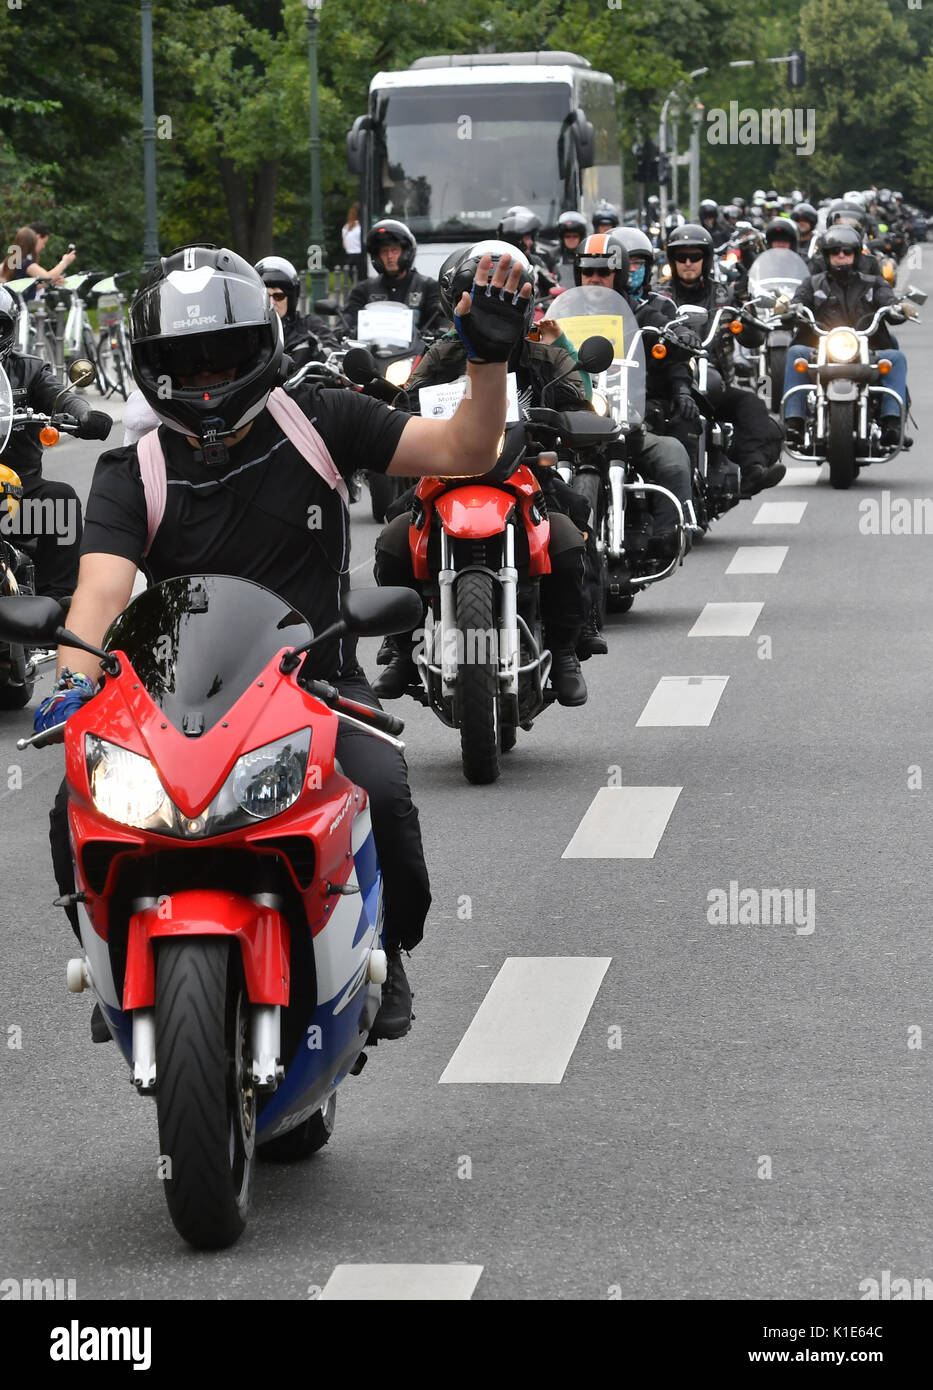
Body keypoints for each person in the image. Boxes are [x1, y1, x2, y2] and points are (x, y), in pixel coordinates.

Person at [37, 242, 532, 1044]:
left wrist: (488, 361)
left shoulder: (323, 417)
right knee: (74, 805)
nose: (205, 380)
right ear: (150, 366)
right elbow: (97, 593)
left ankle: (386, 946)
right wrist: (72, 684)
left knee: (383, 786)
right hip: (174, 702)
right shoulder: (135, 467)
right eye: (182, 362)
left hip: (317, 686)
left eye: (221, 355)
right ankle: (110, 962)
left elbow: (464, 452)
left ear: (260, 347)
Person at [371, 240, 591, 704]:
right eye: (480, 295)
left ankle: (568, 650)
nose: (492, 307)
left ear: (524, 300)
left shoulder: (544, 356)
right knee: (393, 539)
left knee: (570, 536)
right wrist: (389, 410)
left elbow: (578, 400)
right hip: (447, 476)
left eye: (502, 296)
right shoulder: (443, 355)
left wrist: (570, 419)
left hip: (526, 473)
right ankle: (400, 646)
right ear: (457, 303)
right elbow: (407, 399)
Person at [575, 232, 698, 550]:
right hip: (571, 421)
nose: (595, 279)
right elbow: (536, 334)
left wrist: (678, 331)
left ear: (619, 273)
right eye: (588, 272)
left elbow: (665, 326)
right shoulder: (562, 315)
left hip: (627, 418)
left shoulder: (642, 314)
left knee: (672, 452)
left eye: (604, 272)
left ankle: (669, 533)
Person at [0, 285, 111, 603]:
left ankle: (58, 601)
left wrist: (83, 415)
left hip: (21, 497)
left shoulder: (30, 370)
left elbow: (60, 395)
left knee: (60, 500)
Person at [663, 223, 785, 497]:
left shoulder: (724, 295)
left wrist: (745, 305)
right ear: (672, 261)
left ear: (705, 259)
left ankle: (753, 471)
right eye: (681, 257)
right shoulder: (661, 298)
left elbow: (752, 339)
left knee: (753, 405)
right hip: (672, 385)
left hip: (715, 382)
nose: (688, 263)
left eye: (694, 257)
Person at [781, 224, 912, 450]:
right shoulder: (812, 283)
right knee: (795, 353)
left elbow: (888, 301)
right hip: (820, 350)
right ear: (827, 255)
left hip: (867, 349)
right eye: (835, 252)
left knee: (896, 357)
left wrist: (898, 308)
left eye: (847, 251)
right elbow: (797, 303)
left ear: (856, 255)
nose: (841, 256)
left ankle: (892, 424)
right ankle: (794, 423)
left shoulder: (873, 283)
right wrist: (789, 308)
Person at [344, 220, 443, 337]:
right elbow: (347, 321)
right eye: (384, 251)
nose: (389, 256)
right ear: (378, 256)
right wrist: (345, 331)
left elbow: (442, 319)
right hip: (374, 352)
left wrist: (439, 331)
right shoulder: (363, 290)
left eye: (394, 250)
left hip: (420, 353)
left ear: (406, 252)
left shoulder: (428, 287)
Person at [254, 254, 327, 369]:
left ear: (291, 298)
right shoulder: (250, 332)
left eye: (278, 296)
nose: (271, 302)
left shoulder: (309, 326)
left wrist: (338, 367)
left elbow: (330, 351)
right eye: (266, 297)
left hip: (302, 386)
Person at [1, 226, 75, 301]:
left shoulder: (11, 260)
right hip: (20, 308)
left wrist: (52, 281)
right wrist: (64, 262)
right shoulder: (26, 263)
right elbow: (47, 277)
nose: (43, 246)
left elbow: (28, 287)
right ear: (31, 243)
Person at [341, 203, 363, 281]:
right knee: (361, 276)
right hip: (360, 254)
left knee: (351, 276)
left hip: (350, 255)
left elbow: (344, 244)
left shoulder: (346, 227)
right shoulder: (360, 226)